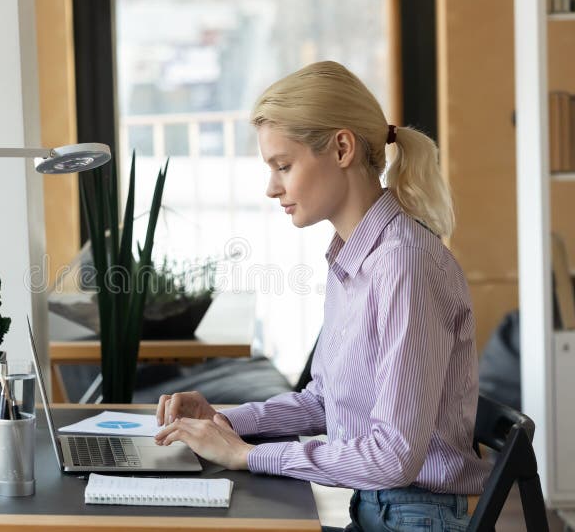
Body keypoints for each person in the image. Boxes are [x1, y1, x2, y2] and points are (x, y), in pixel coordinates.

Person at [153, 61, 492, 531]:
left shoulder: (405, 265)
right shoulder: (353, 258)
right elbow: (326, 401)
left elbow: (394, 457)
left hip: (413, 518)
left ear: (342, 148)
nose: (272, 188)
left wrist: (248, 456)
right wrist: (226, 422)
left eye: (283, 166)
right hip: (379, 511)